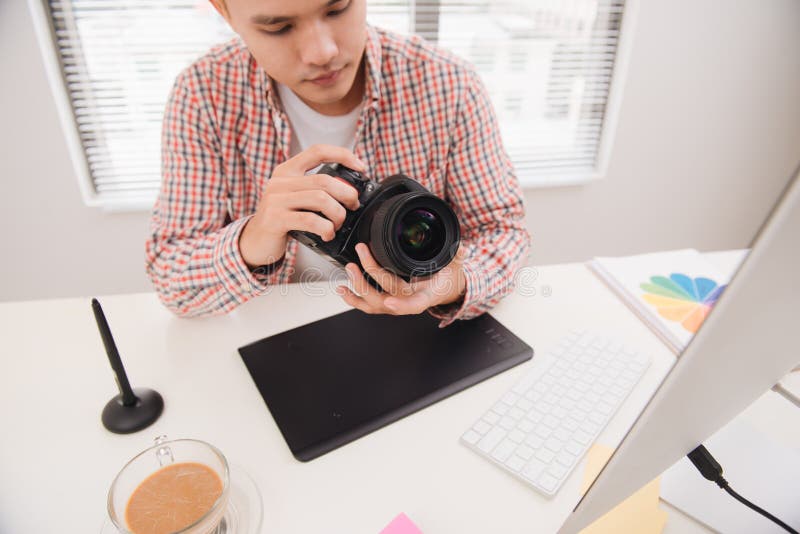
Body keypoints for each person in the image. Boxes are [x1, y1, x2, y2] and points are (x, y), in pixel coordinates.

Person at [145, 0, 531, 327]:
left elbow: (504, 232)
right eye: (278, 27)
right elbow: (172, 277)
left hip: (417, 332)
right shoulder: (205, 94)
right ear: (223, 11)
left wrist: (450, 284)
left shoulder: (446, 83)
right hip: (275, 332)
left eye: (338, 8)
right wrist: (256, 237)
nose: (322, 51)